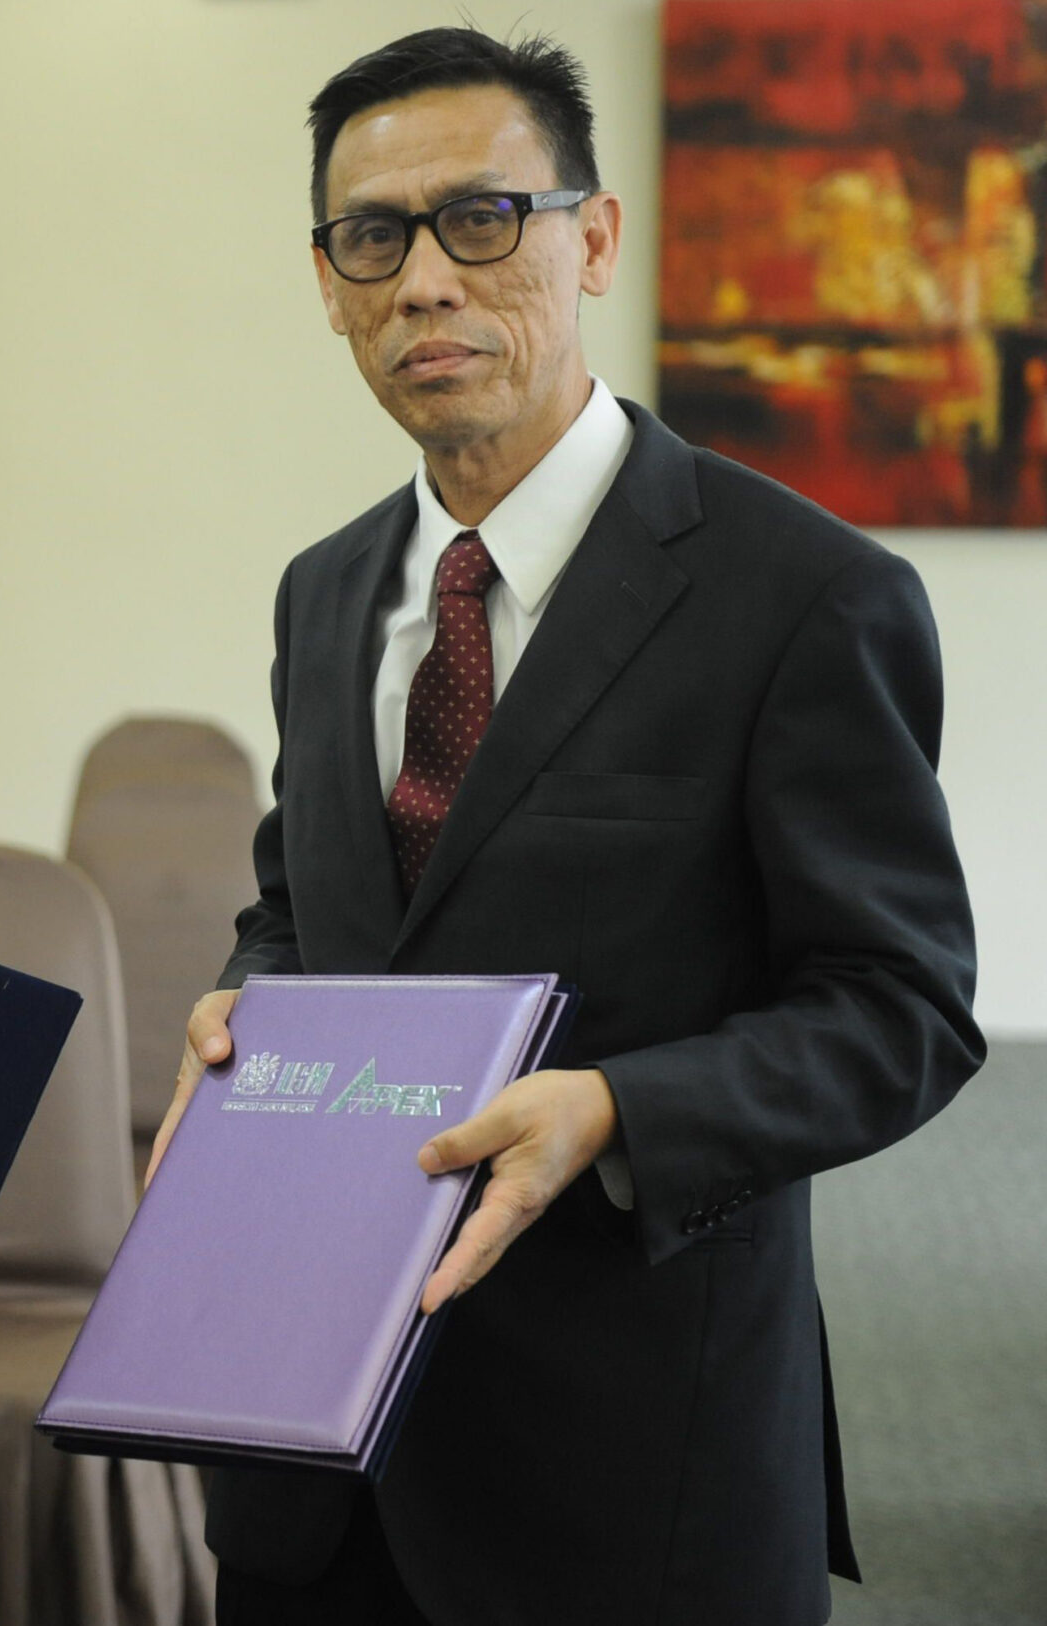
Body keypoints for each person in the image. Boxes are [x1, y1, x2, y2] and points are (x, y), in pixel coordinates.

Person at [148, 28, 982, 1626]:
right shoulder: (327, 591)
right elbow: (300, 905)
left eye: (482, 219)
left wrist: (614, 1110)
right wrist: (246, 1001)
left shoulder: (804, 596)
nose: (425, 281)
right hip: (311, 1450)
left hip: (627, 1468)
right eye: (372, 238)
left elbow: (902, 1007)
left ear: (592, 239)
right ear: (329, 284)